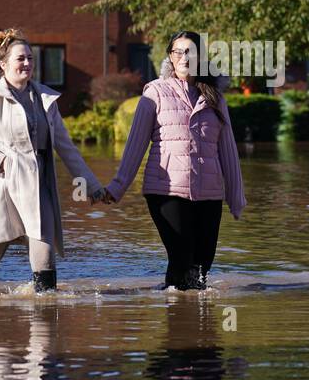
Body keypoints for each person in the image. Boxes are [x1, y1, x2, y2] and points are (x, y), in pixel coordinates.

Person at [0, 27, 108, 294]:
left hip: (39, 189)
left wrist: (92, 186)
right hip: (1, 187)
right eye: (20, 59)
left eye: (30, 58)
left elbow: (66, 148)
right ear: (3, 64)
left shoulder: (46, 99)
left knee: (45, 259)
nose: (27, 63)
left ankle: (45, 326)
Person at [104, 31, 246, 290]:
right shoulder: (155, 93)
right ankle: (177, 318)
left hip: (209, 193)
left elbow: (228, 150)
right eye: (177, 52)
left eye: (190, 51)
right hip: (166, 191)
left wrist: (236, 196)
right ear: (170, 57)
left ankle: (196, 325)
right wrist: (117, 187)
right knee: (181, 259)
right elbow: (135, 146)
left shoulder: (216, 97)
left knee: (202, 266)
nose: (183, 57)